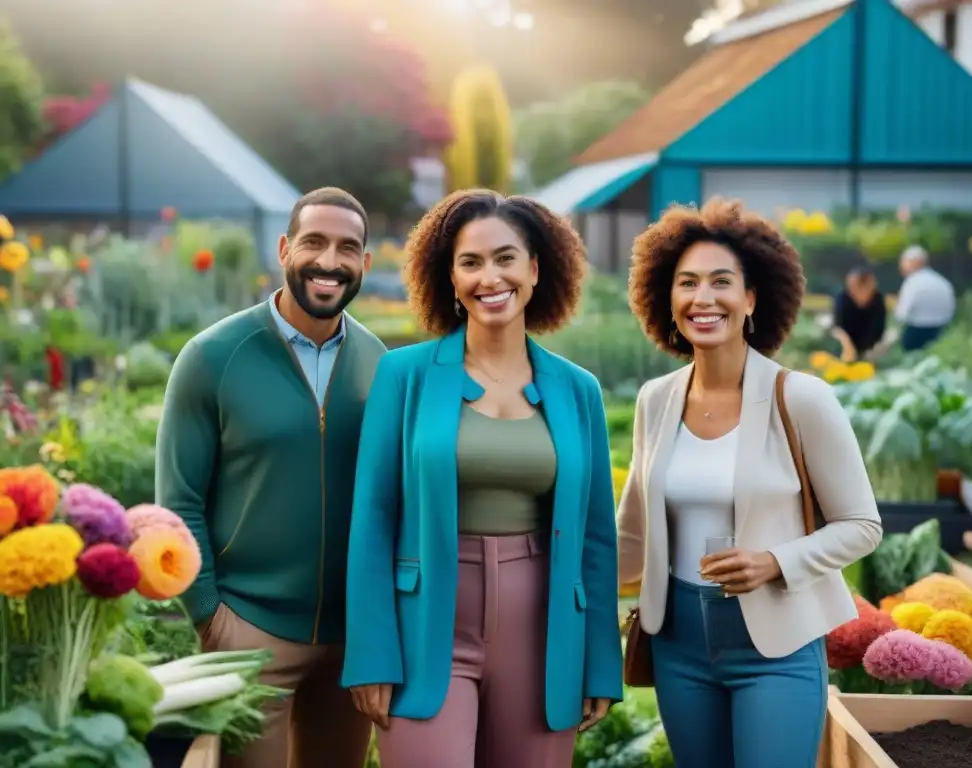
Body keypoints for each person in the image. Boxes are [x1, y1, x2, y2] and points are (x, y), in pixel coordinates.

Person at [342, 189, 623, 768]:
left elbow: (596, 538)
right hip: (425, 629)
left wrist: (599, 660)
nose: (489, 276)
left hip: (541, 629)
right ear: (448, 277)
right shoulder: (404, 376)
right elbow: (372, 518)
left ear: (536, 268)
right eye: (470, 262)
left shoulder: (578, 390)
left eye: (505, 258)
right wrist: (370, 655)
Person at [616, 198, 882, 768]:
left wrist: (775, 562)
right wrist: (544, 569)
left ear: (752, 296)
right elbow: (633, 542)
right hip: (678, 641)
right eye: (687, 282)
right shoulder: (655, 400)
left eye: (721, 282)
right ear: (666, 296)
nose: (702, 298)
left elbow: (863, 526)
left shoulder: (802, 397)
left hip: (777, 641)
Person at [156, 187, 384, 768]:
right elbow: (177, 505)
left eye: (347, 248)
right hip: (249, 632)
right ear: (284, 249)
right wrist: (211, 617)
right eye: (314, 242)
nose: (329, 261)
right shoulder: (212, 357)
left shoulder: (382, 363)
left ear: (365, 263)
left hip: (351, 643)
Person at [894, 244, 955, 351]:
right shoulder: (941, 281)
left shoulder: (912, 282)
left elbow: (901, 314)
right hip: (941, 329)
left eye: (904, 262)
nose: (901, 266)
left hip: (917, 331)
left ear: (915, 262)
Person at [831, 265, 886, 361]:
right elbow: (838, 326)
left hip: (870, 346)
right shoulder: (842, 298)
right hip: (844, 343)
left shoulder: (878, 299)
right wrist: (847, 346)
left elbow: (879, 327)